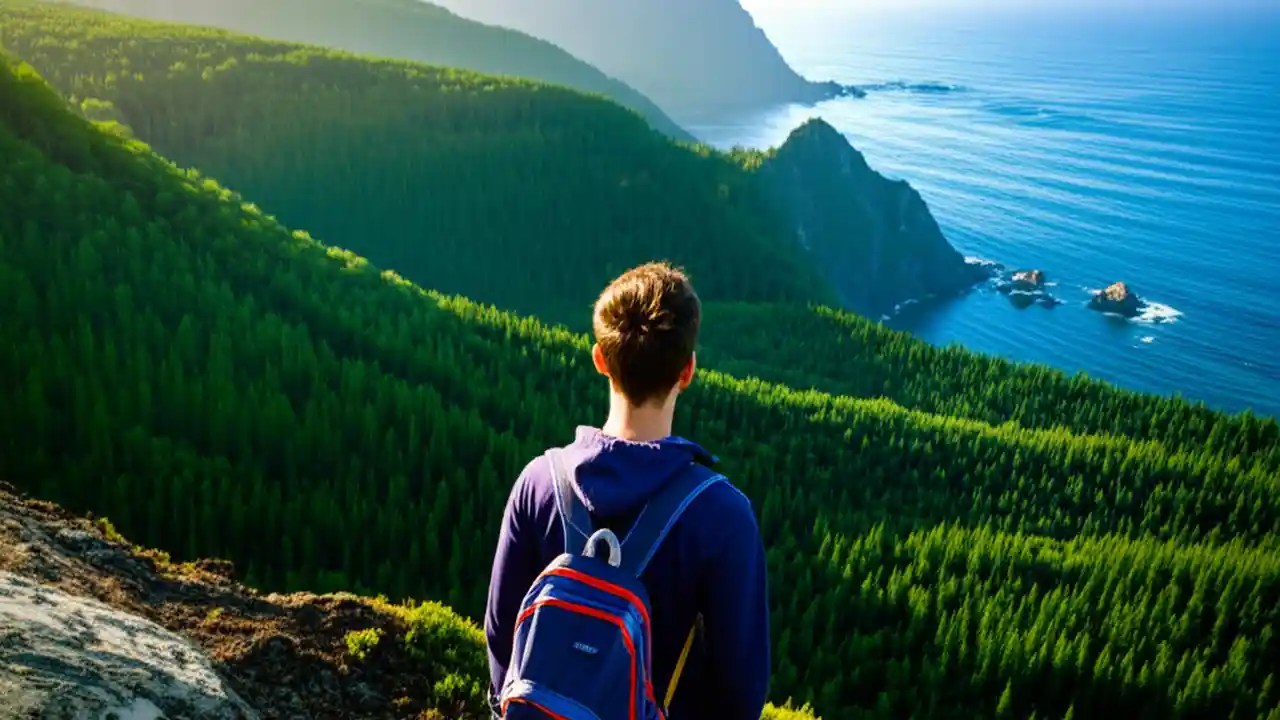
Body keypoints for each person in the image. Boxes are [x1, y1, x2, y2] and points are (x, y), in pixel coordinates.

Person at [484, 262, 771, 719]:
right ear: (687, 370)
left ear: (600, 359)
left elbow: (502, 639)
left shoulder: (538, 483)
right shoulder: (723, 517)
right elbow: (741, 690)